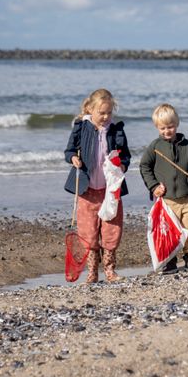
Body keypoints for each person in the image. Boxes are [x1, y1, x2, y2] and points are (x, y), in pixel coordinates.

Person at [64, 88, 131, 283]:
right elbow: (69, 151)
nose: (106, 117)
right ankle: (92, 272)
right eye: (101, 113)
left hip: (110, 190)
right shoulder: (81, 127)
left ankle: (110, 270)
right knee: (88, 233)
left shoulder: (116, 130)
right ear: (90, 109)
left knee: (111, 230)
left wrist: (123, 165)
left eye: (109, 112)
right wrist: (73, 158)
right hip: (87, 190)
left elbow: (126, 155)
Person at [139, 104, 188, 274]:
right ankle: (170, 259)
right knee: (170, 231)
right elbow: (145, 167)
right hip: (168, 199)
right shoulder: (155, 146)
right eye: (162, 128)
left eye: (170, 127)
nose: (167, 131)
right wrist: (154, 186)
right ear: (157, 127)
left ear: (177, 124)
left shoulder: (187, 146)